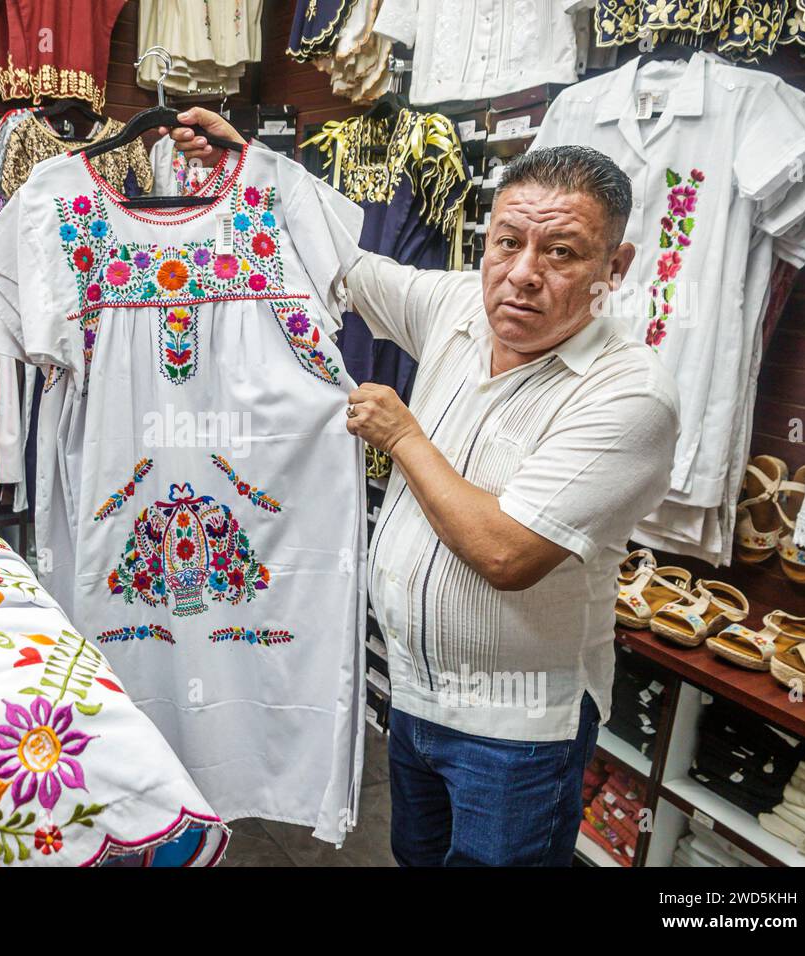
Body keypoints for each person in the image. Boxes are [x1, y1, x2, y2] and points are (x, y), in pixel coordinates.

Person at [165, 108, 680, 866]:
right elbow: (348, 261)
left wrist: (404, 436)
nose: (523, 273)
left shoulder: (629, 394)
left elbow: (506, 553)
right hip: (412, 699)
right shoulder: (461, 309)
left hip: (514, 735)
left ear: (616, 267)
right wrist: (247, 162)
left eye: (561, 252)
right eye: (508, 242)